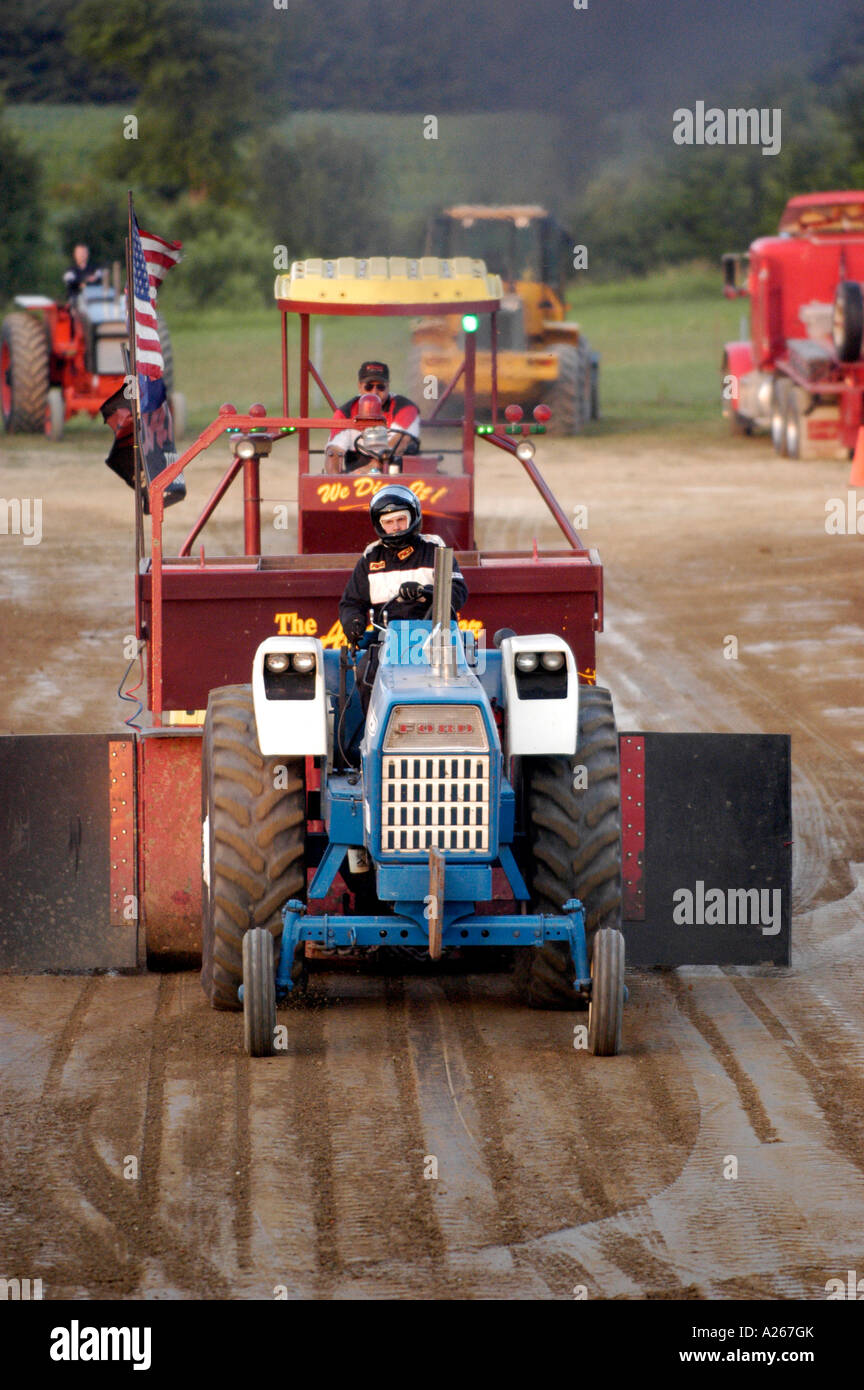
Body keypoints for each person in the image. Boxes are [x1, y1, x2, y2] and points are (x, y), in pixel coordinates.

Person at [339, 485, 467, 710]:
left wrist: (424, 592)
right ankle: (375, 734)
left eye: (401, 520)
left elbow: (457, 591)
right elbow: (352, 602)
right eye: (388, 522)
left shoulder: (435, 548)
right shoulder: (371, 557)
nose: (395, 527)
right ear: (379, 525)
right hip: (387, 641)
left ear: (413, 518)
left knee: (448, 682)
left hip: (434, 639)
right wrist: (353, 622)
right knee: (366, 675)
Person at [324, 361, 421, 474]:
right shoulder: (344, 413)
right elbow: (334, 451)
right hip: (356, 478)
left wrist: (370, 469)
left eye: (380, 387)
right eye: (369, 386)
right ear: (360, 386)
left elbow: (400, 443)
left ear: (388, 386)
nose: (374, 392)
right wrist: (336, 481)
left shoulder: (405, 408)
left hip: (397, 476)